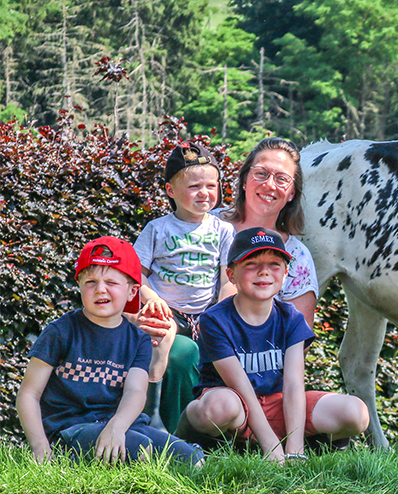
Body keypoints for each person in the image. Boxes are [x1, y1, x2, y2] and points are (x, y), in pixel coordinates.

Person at [173, 228, 368, 462]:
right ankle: (211, 443)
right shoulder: (215, 320)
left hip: (278, 404)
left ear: (285, 273)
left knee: (355, 412)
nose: (264, 271)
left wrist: (295, 450)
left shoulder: (291, 318)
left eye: (274, 264)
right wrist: (270, 444)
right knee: (220, 407)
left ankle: (305, 446)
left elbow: (294, 385)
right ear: (231, 274)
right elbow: (241, 386)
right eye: (251, 263)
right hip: (236, 406)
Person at [16, 236, 203, 465]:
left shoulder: (138, 339)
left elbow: (135, 391)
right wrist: (40, 447)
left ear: (133, 292)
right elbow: (29, 394)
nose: (100, 290)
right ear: (79, 285)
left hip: (121, 424)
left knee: (192, 458)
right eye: (90, 282)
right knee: (140, 448)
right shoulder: (60, 331)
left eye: (111, 282)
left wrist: (116, 426)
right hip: (69, 429)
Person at [132, 141, 235, 433]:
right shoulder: (157, 228)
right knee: (170, 348)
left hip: (206, 313)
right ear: (170, 190)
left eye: (211, 185)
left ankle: (213, 429)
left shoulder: (223, 230)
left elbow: (228, 279)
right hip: (167, 310)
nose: (204, 193)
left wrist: (219, 315)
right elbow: (135, 275)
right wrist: (151, 298)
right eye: (194, 187)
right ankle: (152, 417)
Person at [217, 137, 319, 326]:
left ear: (292, 193)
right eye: (261, 173)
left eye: (282, 179)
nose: (270, 185)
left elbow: (300, 335)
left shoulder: (297, 256)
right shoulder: (205, 225)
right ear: (245, 180)